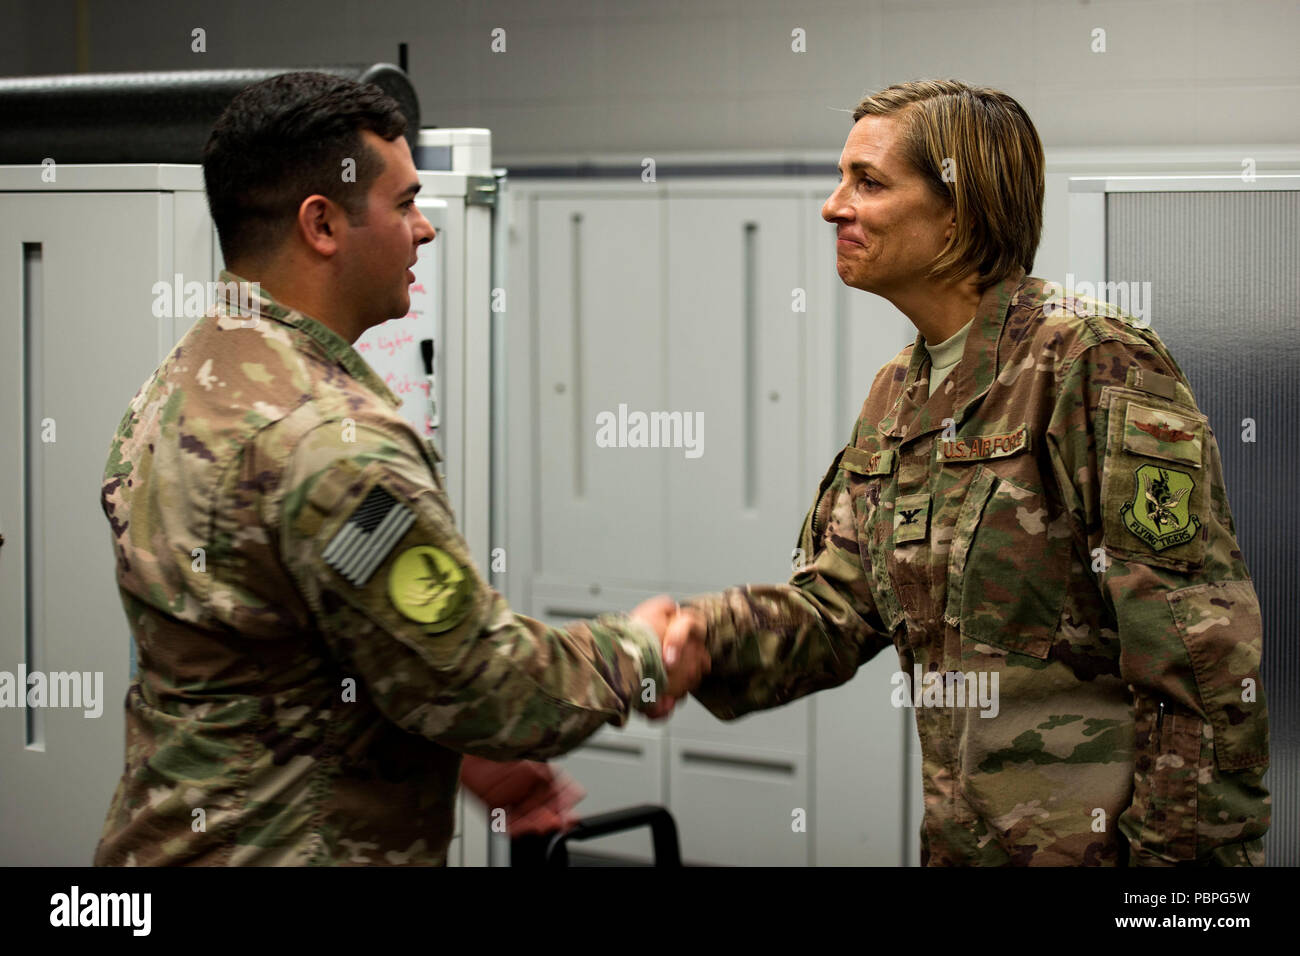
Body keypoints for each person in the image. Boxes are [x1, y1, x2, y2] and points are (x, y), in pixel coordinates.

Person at [95, 71, 708, 866]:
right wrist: (644, 655)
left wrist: (466, 748)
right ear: (323, 224)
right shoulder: (329, 442)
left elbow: (301, 643)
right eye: (406, 202)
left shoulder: (180, 383)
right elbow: (481, 677)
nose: (426, 229)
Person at [672, 79, 1270, 866]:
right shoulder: (901, 394)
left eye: (868, 181)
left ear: (958, 212)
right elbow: (838, 611)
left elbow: (1199, 661)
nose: (833, 206)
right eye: (841, 178)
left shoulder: (1089, 362)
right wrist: (692, 642)